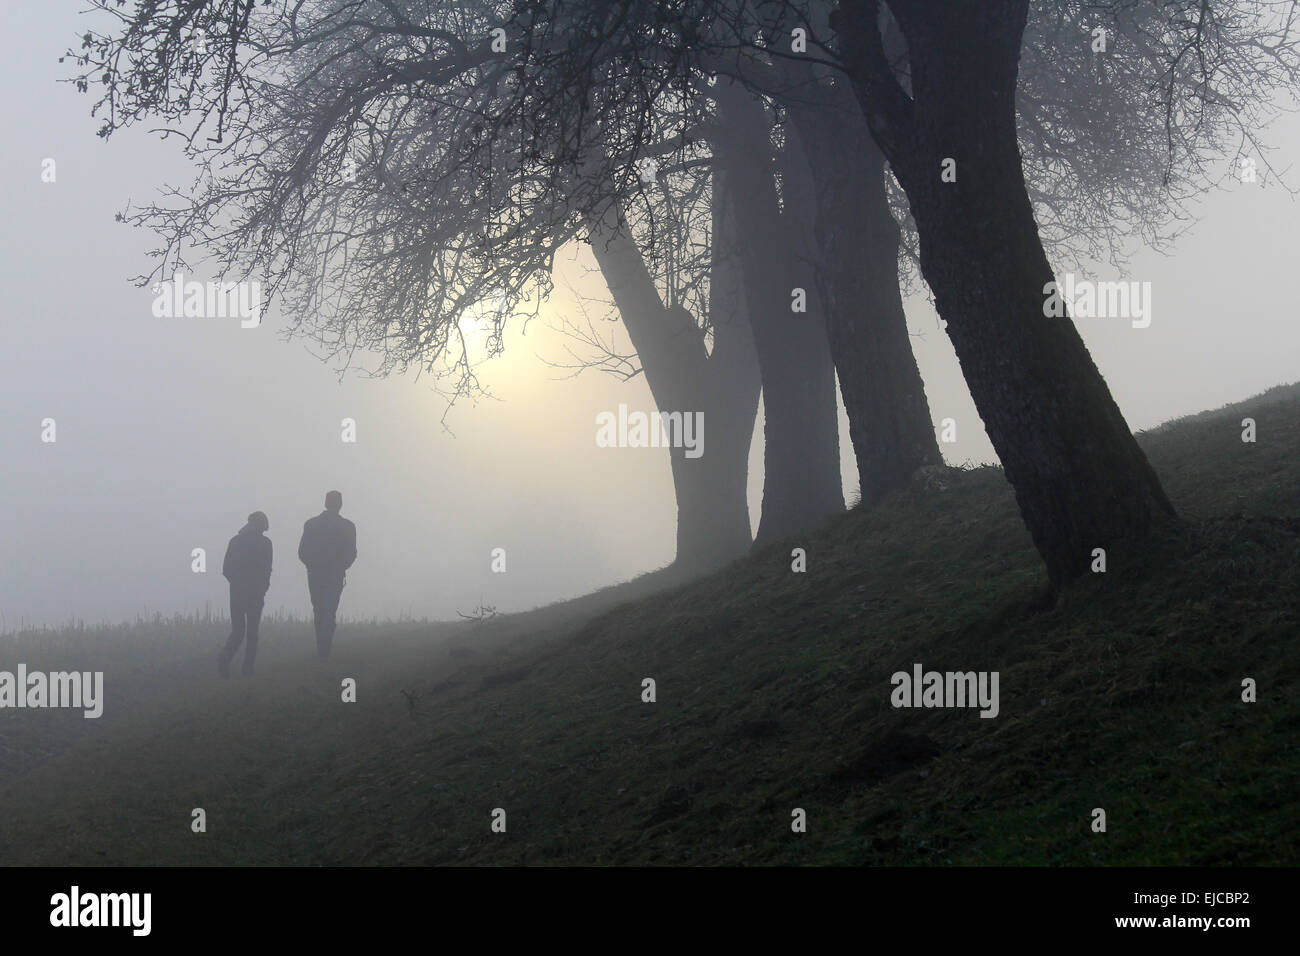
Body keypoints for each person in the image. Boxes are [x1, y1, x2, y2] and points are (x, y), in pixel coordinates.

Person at [298, 490, 357, 660]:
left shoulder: (311, 524)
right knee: (330, 611)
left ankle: (321, 648)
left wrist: (313, 566)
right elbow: (351, 553)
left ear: (325, 503)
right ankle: (325, 649)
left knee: (319, 610)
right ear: (340, 504)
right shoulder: (347, 526)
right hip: (335, 574)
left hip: (314, 574)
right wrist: (340, 567)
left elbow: (302, 552)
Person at [220, 511, 272, 678]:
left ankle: (224, 661)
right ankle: (247, 669)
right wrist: (263, 586)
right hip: (256, 593)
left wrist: (237, 584)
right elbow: (267, 569)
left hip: (237, 592)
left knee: (238, 630)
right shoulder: (266, 544)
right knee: (252, 632)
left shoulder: (235, 542)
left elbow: (226, 569)